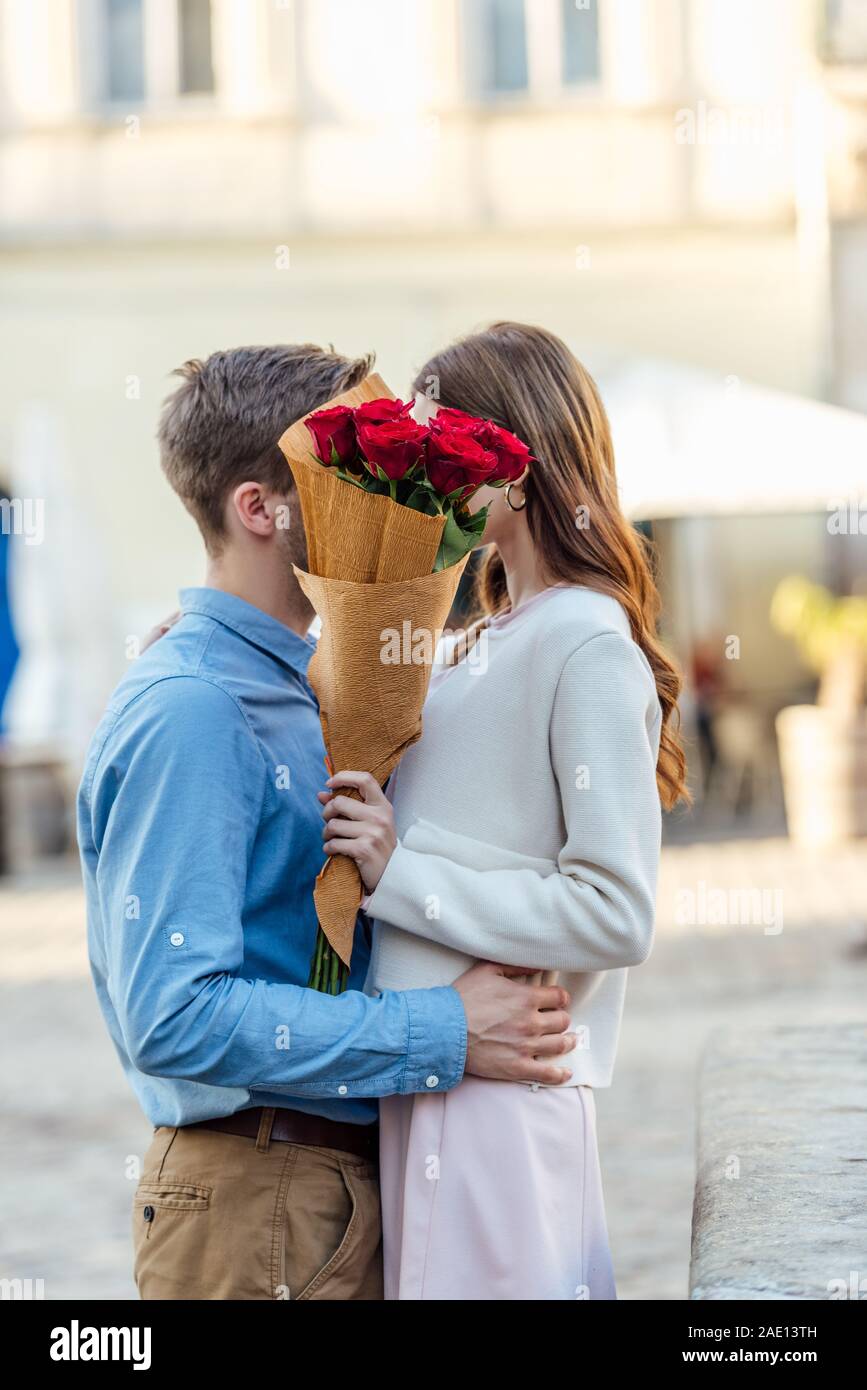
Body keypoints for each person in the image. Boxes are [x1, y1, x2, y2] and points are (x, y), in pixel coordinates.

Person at [77, 343, 575, 1302]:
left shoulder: (295, 682)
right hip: (255, 1198)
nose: (382, 502)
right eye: (344, 478)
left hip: (315, 1189)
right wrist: (444, 1030)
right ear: (258, 509)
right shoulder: (196, 705)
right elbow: (174, 1017)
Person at [321, 322, 689, 1300]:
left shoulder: (585, 644)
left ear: (515, 469)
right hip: (431, 1075)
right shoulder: (478, 641)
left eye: (445, 448)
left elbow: (617, 911)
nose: (428, 477)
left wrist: (406, 875)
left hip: (499, 1098)